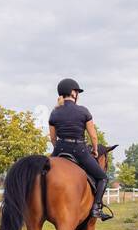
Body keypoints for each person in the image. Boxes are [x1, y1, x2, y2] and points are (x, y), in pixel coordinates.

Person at [48, 78, 111, 220]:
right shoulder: (83, 111)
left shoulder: (54, 113)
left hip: (59, 149)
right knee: (102, 177)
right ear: (72, 93)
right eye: (77, 91)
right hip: (79, 149)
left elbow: (52, 138)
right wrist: (95, 150)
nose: (78, 94)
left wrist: (57, 150)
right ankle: (96, 208)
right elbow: (93, 136)